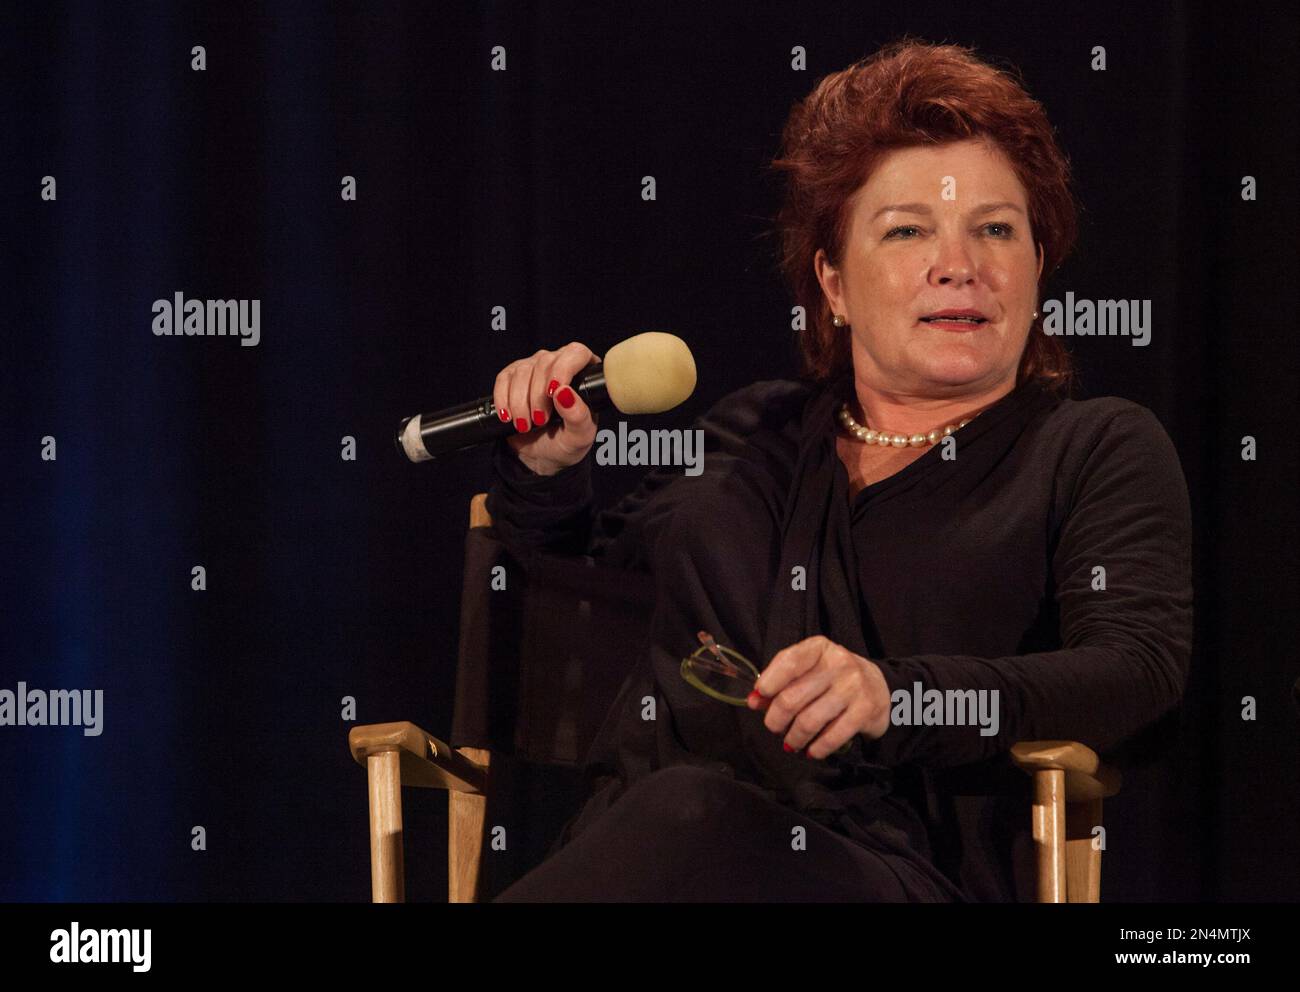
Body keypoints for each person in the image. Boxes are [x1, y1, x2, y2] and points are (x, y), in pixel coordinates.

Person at [482, 39, 1193, 902]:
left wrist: (897, 696)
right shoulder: (757, 432)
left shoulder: (1094, 448)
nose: (957, 264)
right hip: (658, 847)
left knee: (690, 815)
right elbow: (591, 607)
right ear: (834, 283)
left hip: (904, 871)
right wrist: (550, 469)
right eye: (907, 231)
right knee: (679, 814)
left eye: (997, 229)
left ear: (1039, 265)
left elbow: (1137, 670)